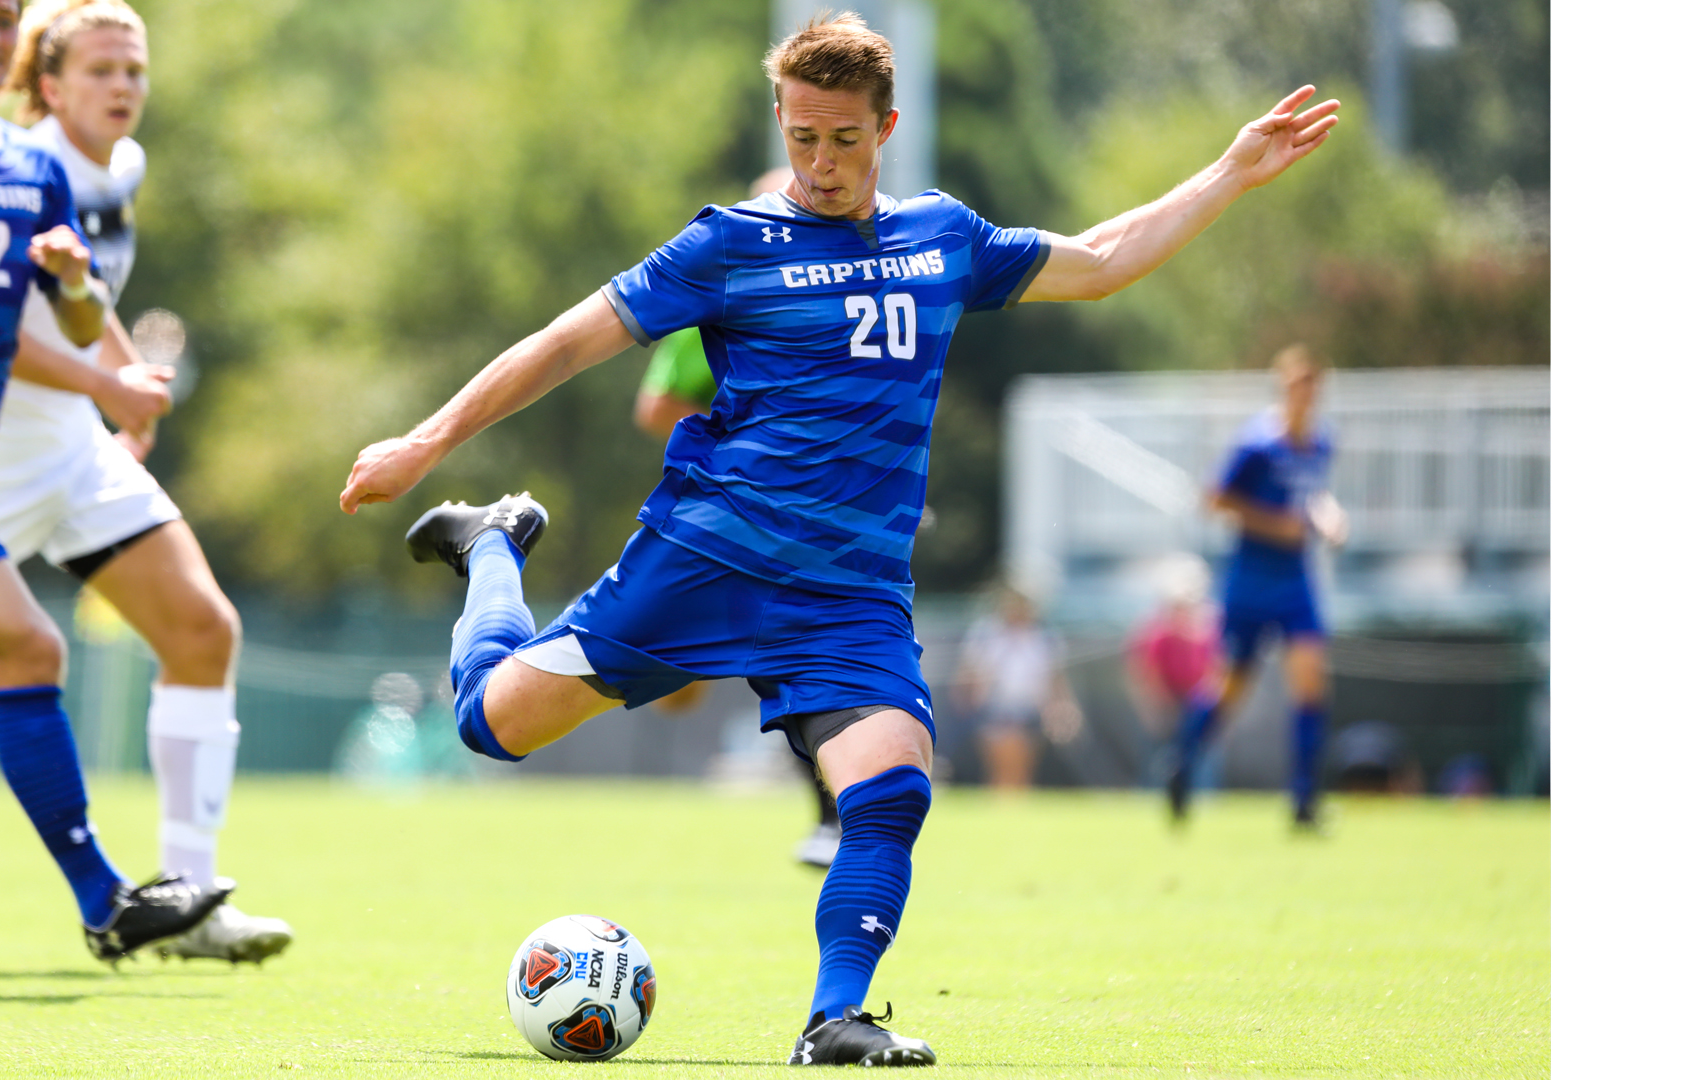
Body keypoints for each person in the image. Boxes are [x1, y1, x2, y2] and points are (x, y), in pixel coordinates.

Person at [340, 14, 1338, 1065]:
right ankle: (493, 546)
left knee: (894, 787)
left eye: (846, 140)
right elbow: (564, 343)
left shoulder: (942, 239)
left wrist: (1229, 170)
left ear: (887, 129)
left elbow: (1098, 260)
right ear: (782, 118)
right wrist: (426, 438)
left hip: (848, 596)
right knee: (490, 729)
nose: (821, 162)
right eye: (804, 135)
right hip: (705, 564)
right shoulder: (728, 245)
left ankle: (835, 1021)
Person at [0, 0, 293, 965]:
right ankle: (108, 899)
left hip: (70, 452)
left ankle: (184, 898)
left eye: (135, 70)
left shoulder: (94, 170)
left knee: (203, 629)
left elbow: (80, 305)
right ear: (51, 82)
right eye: (102, 70)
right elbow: (2, 331)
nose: (123, 88)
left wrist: (118, 384)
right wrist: (112, 379)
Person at [631, 168, 844, 868]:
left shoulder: (848, 297)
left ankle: (830, 817)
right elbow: (655, 409)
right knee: (680, 693)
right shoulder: (725, 295)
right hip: (727, 511)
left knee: (811, 656)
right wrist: (742, 433)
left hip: (815, 520)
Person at [1167, 345, 1349, 829]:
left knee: (1311, 681)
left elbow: (1314, 496)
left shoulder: (1322, 442)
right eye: (1295, 386)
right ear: (1282, 388)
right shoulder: (1257, 444)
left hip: (1296, 582)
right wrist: (1275, 524)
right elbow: (1213, 499)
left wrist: (1330, 518)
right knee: (1229, 690)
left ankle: (1304, 802)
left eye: (1310, 387)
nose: (1303, 396)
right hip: (1249, 582)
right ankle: (1182, 763)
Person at [953, 584, 1082, 790]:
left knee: (1024, 770)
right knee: (999, 766)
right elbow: (969, 671)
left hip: (1030, 708)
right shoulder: (986, 634)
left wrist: (1062, 708)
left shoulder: (1044, 637)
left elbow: (1055, 677)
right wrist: (966, 701)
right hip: (994, 706)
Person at [1125, 554, 1219, 784]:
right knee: (1159, 760)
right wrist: (1160, 706)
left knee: (1202, 756)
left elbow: (1216, 668)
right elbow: (1147, 672)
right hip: (1167, 704)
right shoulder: (1158, 630)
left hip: (1197, 701)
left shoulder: (1210, 625)